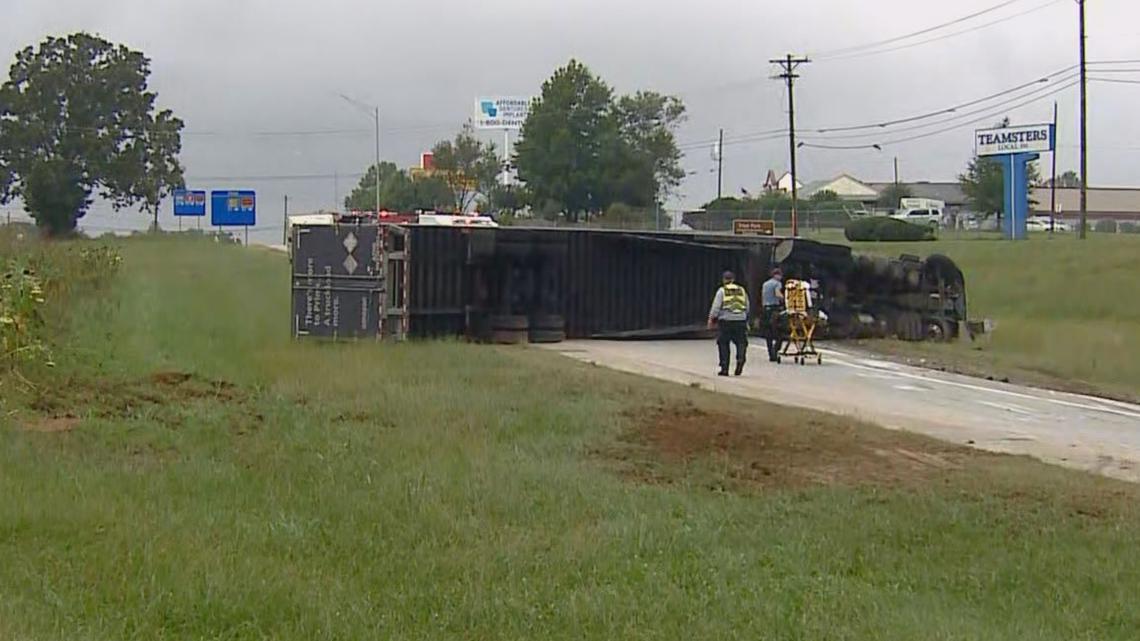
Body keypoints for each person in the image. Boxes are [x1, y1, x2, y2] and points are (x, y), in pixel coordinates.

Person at [707, 270, 750, 376]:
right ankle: (740, 359)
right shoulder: (742, 290)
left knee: (723, 344)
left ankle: (725, 368)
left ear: (724, 280)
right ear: (733, 279)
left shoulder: (722, 291)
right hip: (740, 320)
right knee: (741, 342)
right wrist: (745, 318)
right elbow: (747, 305)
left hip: (726, 321)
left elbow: (716, 306)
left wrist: (711, 319)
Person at [761, 267, 785, 362]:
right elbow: (777, 293)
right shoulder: (777, 283)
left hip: (765, 309)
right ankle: (775, 350)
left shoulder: (765, 284)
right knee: (779, 331)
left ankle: (770, 353)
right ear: (777, 275)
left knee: (768, 333)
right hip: (774, 309)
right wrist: (784, 299)